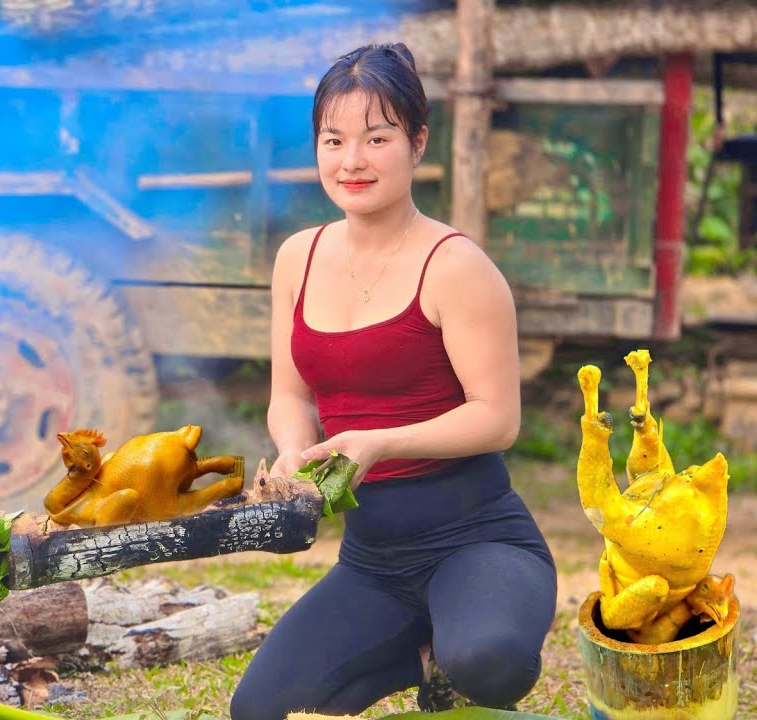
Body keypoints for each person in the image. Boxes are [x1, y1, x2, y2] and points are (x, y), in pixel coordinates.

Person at [230, 44, 557, 719]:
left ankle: (455, 650)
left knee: (487, 657)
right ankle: (422, 650)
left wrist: (378, 442)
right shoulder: (299, 256)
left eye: (376, 138)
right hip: (372, 562)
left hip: (477, 541)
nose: (352, 160)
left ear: (417, 143)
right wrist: (292, 452)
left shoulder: (455, 266)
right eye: (334, 140)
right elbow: (290, 396)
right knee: (257, 712)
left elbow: (497, 418)